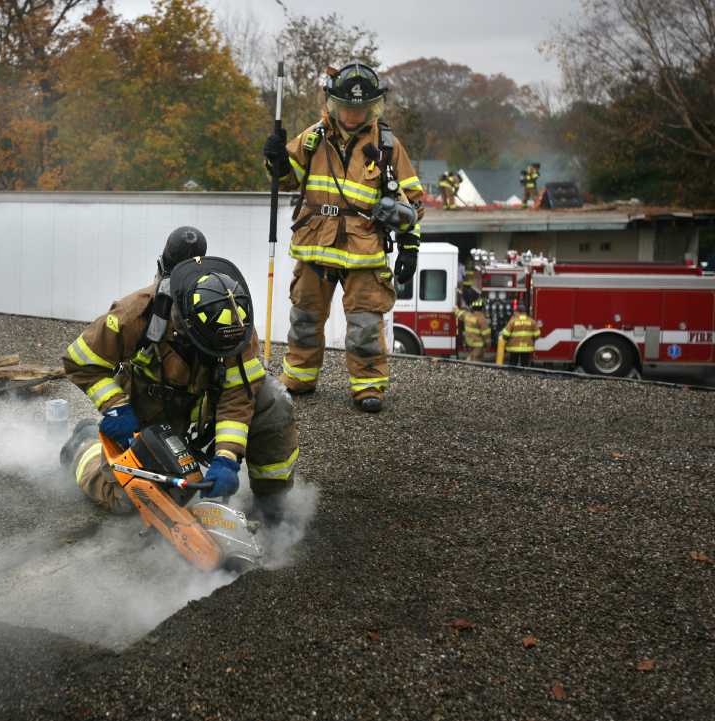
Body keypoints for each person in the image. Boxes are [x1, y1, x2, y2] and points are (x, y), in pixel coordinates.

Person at [59, 227, 299, 523]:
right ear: (184, 322)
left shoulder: (232, 321)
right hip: (149, 413)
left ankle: (270, 502)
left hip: (205, 409)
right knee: (128, 501)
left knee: (272, 399)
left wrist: (226, 456)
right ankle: (83, 445)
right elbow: (79, 361)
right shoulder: (134, 314)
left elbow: (238, 395)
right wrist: (115, 407)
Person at [262, 60, 425, 413]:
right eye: (347, 107)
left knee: (365, 324)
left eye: (361, 108)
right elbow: (286, 178)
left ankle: (368, 386)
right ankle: (299, 377)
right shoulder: (314, 137)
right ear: (333, 104)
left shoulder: (387, 145)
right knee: (304, 316)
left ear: (373, 106)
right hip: (314, 244)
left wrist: (410, 248)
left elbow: (412, 201)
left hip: (364, 249)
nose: (353, 115)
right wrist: (275, 158)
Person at [501, 301, 539, 366]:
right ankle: (525, 375)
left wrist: (506, 340)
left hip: (514, 347)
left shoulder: (513, 321)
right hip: (527, 347)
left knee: (513, 364)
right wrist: (531, 339)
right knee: (525, 364)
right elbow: (537, 334)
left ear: (518, 312)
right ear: (525, 312)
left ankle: (513, 375)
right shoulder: (532, 321)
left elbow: (505, 334)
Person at [459, 297, 491, 361]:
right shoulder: (481, 319)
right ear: (482, 308)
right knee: (476, 360)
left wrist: (455, 309)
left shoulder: (467, 315)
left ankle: (467, 365)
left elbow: (459, 313)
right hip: (478, 344)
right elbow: (486, 334)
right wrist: (488, 345)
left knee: (471, 356)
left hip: (469, 342)